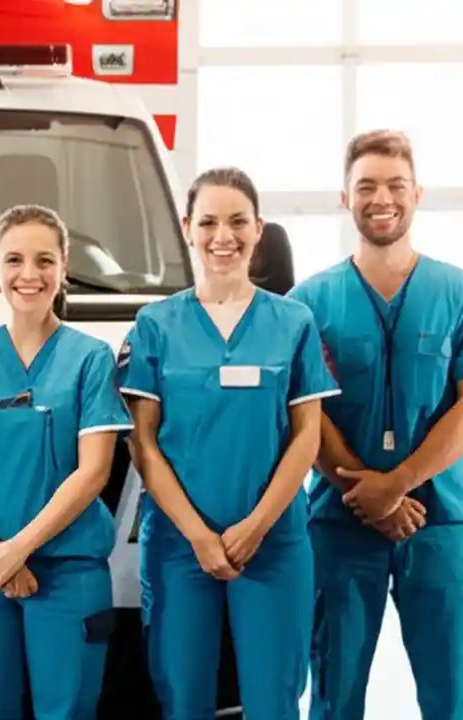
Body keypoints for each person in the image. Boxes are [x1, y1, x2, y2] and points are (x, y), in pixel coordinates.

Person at [287, 130, 463, 720]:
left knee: (449, 693)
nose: (381, 198)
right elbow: (306, 411)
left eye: (395, 185)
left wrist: (399, 482)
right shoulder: (308, 303)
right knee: (333, 694)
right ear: (344, 197)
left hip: (437, 524)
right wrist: (366, 493)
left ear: (417, 194)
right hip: (339, 522)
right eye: (366, 186)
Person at [116, 167, 338, 719]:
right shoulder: (155, 325)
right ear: (188, 228)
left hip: (273, 543)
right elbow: (143, 445)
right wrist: (198, 535)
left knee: (274, 700)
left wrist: (256, 524)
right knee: (182, 698)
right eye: (210, 222)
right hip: (179, 546)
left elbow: (307, 435)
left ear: (259, 229)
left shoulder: (293, 323)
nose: (224, 236)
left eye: (238, 221)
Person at [0, 204, 131, 719]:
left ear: (63, 267)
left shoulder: (89, 358)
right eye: (14, 259)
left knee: (67, 710)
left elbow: (93, 471)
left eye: (44, 260)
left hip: (68, 570)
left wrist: (20, 549)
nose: (29, 275)